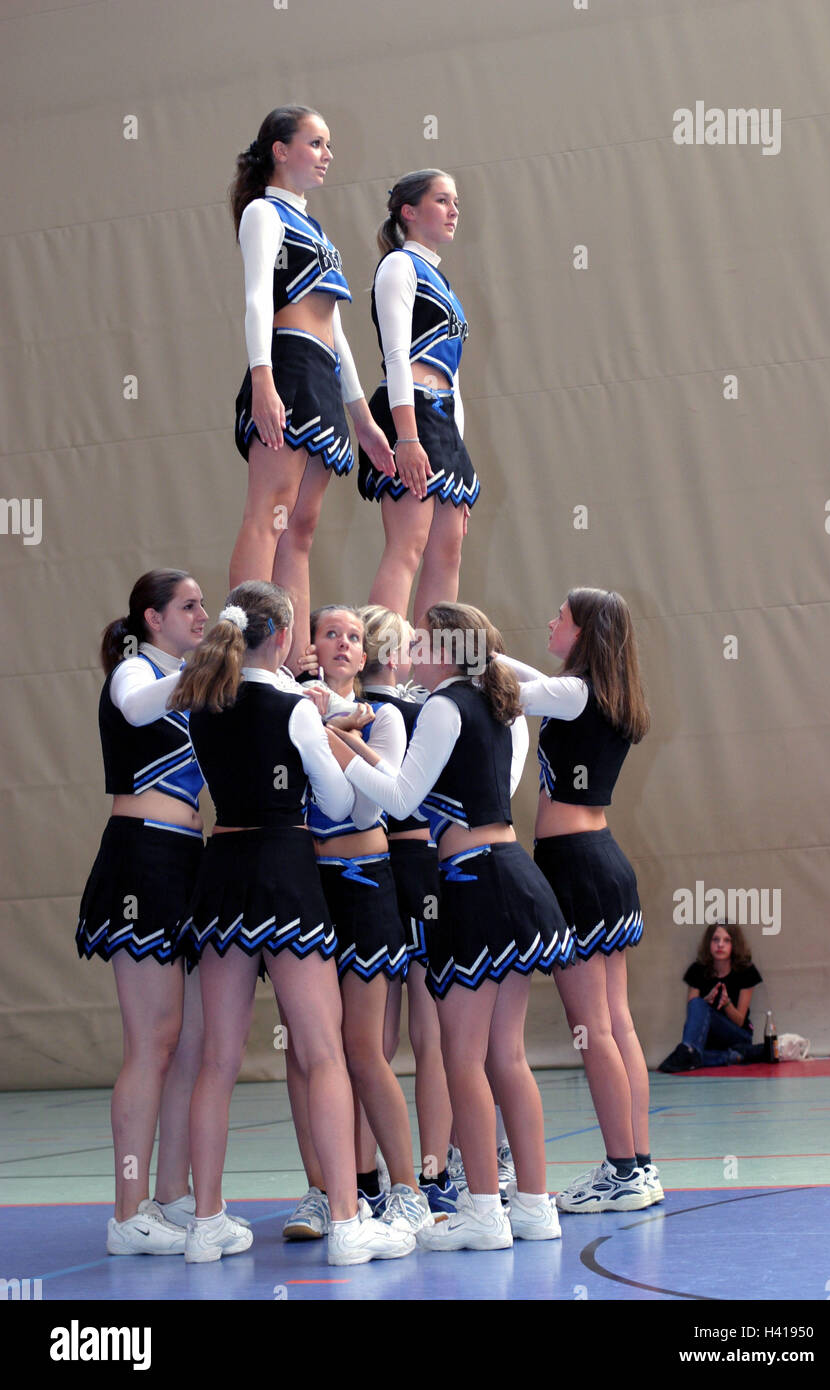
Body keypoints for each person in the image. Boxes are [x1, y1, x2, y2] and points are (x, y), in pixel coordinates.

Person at [171, 582, 416, 1266]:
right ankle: (346, 1219)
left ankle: (207, 1220)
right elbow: (341, 798)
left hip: (222, 870)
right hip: (285, 868)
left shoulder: (202, 703)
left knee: (216, 1058)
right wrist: (332, 733)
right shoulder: (293, 708)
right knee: (322, 1051)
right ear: (281, 639)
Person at [326, 602, 566, 1250]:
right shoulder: (499, 703)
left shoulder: (443, 705)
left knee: (464, 1059)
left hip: (472, 882)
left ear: (448, 650)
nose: (411, 655)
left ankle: (484, 1211)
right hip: (515, 872)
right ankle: (535, 1207)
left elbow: (401, 799)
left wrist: (338, 746)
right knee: (507, 1056)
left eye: (423, 642)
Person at [270, 603, 432, 1241]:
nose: (342, 643)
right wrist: (310, 714)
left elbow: (376, 795)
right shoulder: (291, 709)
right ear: (311, 646)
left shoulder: (385, 716)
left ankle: (408, 1189)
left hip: (366, 883)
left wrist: (333, 728)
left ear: (367, 657)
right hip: (305, 886)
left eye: (353, 637)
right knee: (304, 1051)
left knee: (364, 1048)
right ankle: (322, 1190)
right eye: (330, 633)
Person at [498, 588, 662, 1213]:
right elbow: (533, 679)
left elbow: (510, 689)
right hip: (604, 863)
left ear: (584, 631)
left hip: (575, 868)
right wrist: (483, 647)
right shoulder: (602, 694)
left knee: (592, 1029)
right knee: (616, 1024)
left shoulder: (573, 695)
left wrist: (461, 651)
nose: (549, 621)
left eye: (560, 617)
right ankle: (638, 1165)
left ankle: (622, 1170)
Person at [228, 106, 393, 669]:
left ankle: (295, 662)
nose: (327, 155)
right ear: (280, 150)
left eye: (329, 145)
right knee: (268, 512)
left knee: (300, 527)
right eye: (316, 143)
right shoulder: (263, 213)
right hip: (287, 364)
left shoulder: (315, 229)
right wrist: (262, 379)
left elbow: (338, 331)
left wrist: (364, 420)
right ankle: (246, 651)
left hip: (322, 372)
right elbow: (255, 300)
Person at [76, 569, 212, 1255]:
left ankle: (173, 1194)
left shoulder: (186, 686)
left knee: (189, 1042)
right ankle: (128, 1212)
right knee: (152, 1042)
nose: (202, 614)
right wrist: (209, 669)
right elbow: (135, 711)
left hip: (186, 860)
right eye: (189, 605)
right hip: (141, 858)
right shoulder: (135, 673)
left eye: (204, 605)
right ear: (152, 620)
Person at [355, 604, 457, 1213]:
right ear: (395, 655)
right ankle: (432, 1171)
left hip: (363, 870)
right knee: (430, 1037)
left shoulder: (329, 711)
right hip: (416, 864)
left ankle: (368, 1178)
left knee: (372, 1041)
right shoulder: (421, 711)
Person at [358, 171, 478, 624]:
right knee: (408, 544)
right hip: (409, 412)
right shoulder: (398, 266)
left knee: (448, 551)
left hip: (442, 420)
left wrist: (457, 447)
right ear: (409, 212)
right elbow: (396, 356)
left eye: (456, 202)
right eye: (442, 201)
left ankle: (435, 668)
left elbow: (455, 376)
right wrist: (407, 438)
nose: (453, 211)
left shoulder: (443, 281)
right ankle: (384, 665)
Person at [658, 923, 765, 1071]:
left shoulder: (746, 971)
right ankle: (729, 1056)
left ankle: (692, 1053)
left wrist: (726, 1004)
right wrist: (705, 1003)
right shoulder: (697, 970)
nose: (720, 945)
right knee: (697, 1005)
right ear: (708, 943)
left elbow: (740, 1020)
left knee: (680, 1056)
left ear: (734, 944)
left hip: (737, 1035)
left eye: (727, 940)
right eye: (715, 940)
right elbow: (692, 1014)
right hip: (708, 1038)